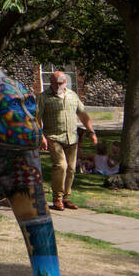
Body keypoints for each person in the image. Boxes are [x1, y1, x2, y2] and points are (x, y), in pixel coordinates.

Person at [36, 71, 97, 210]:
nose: (57, 85)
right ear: (50, 82)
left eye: (60, 83)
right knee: (61, 166)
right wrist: (41, 136)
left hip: (72, 137)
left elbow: (82, 114)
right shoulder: (43, 97)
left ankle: (66, 198)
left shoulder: (72, 95)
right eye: (54, 83)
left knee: (70, 169)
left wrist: (91, 131)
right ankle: (57, 199)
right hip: (53, 137)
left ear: (65, 83)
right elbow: (37, 118)